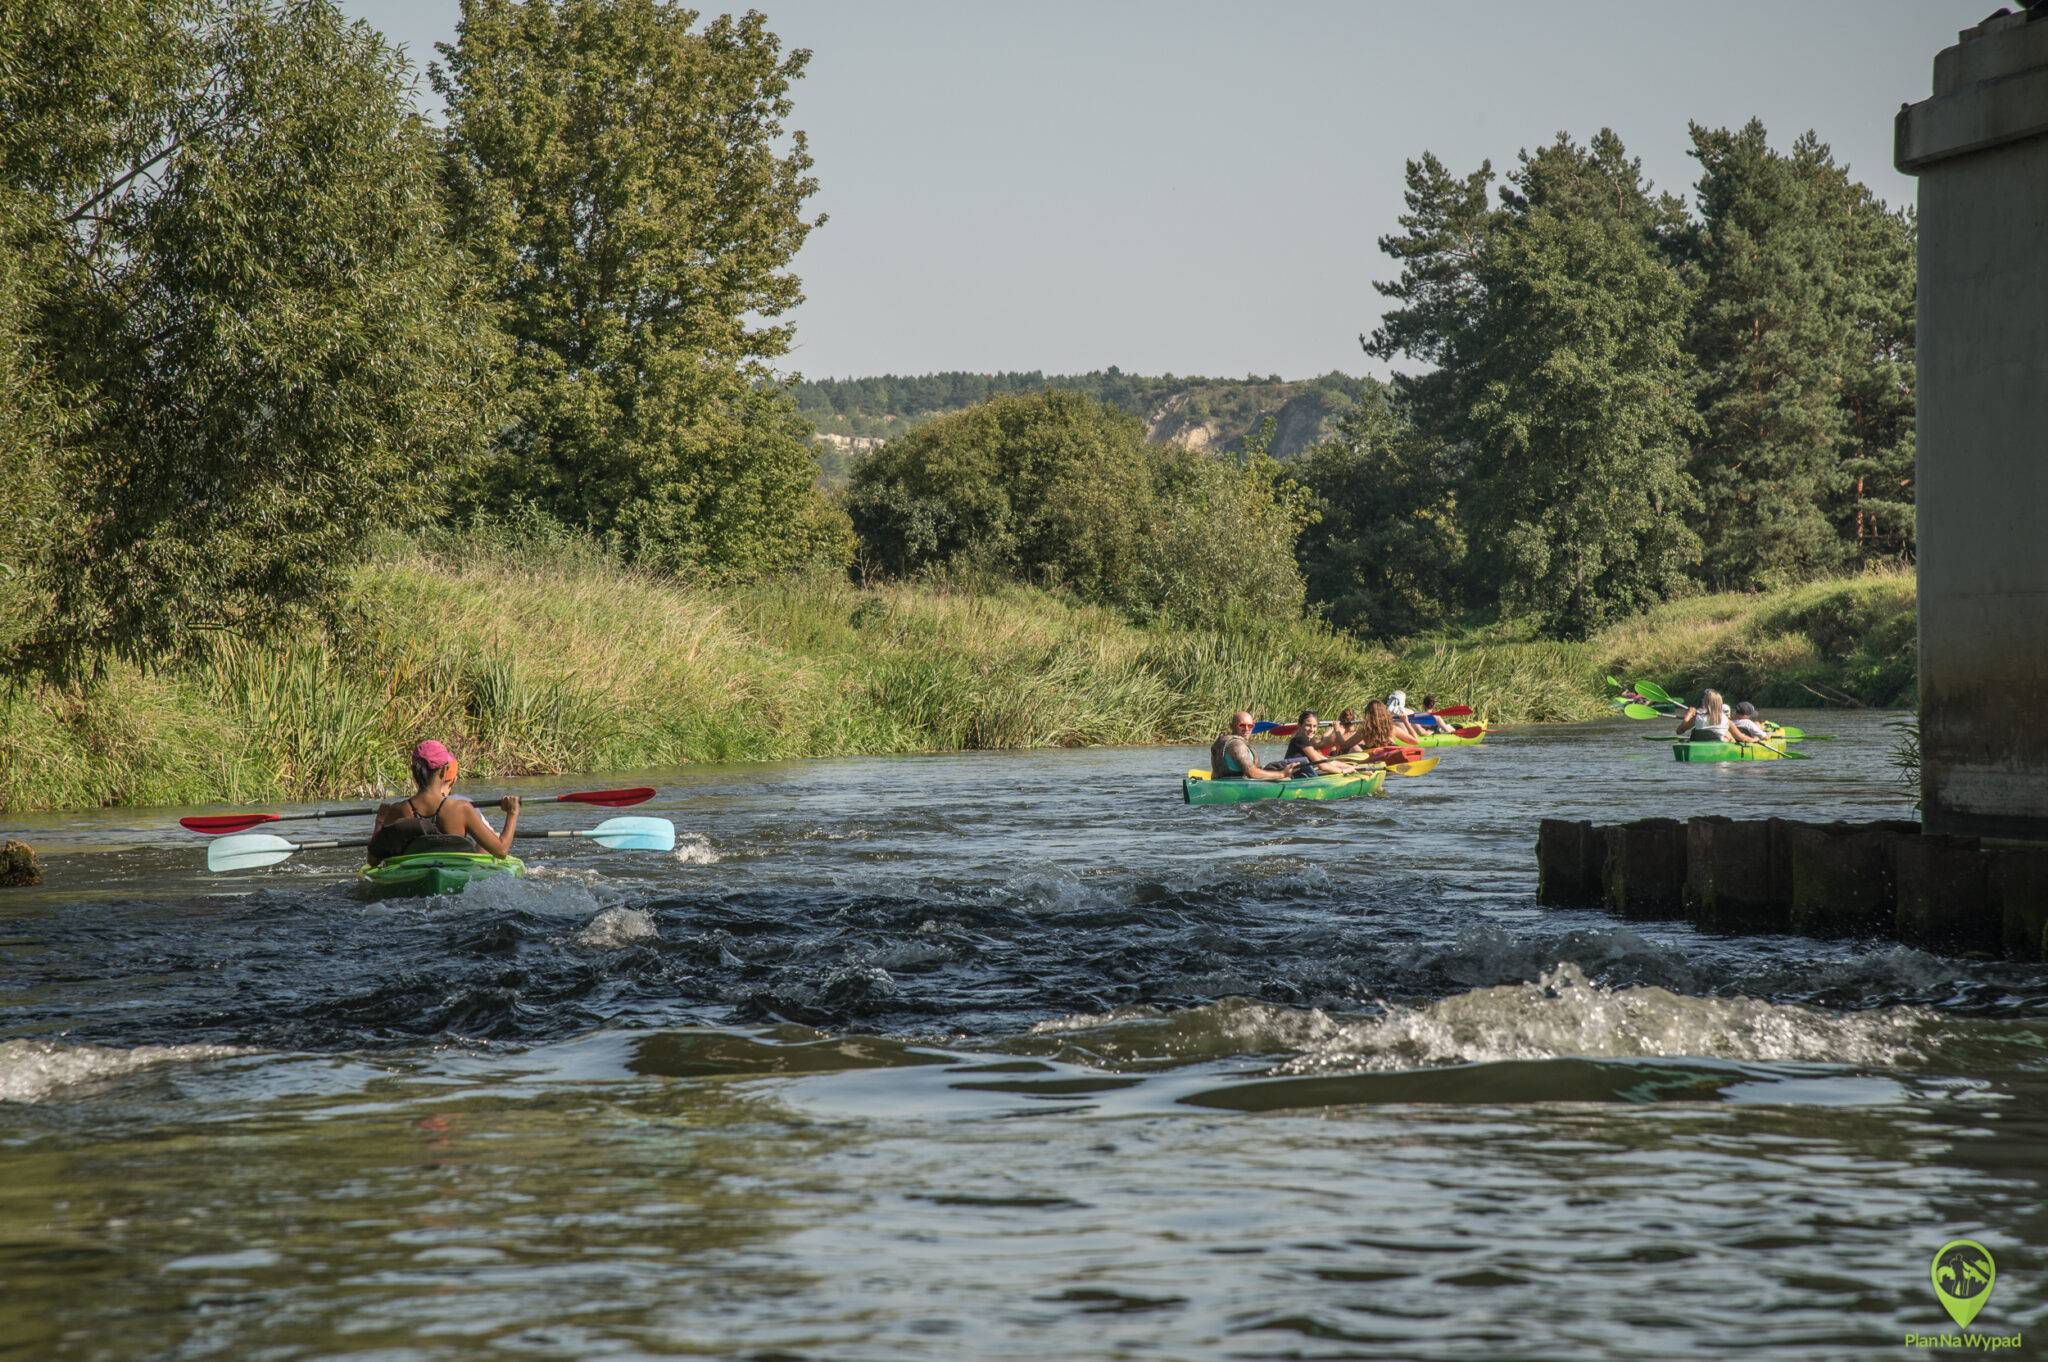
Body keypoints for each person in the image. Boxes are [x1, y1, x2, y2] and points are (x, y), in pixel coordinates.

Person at [368, 740, 520, 865]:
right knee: (484, 846)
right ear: (443, 771)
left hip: (414, 879)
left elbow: (373, 860)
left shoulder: (398, 810)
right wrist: (512, 813)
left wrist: (380, 822)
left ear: (413, 771)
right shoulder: (462, 809)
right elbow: (501, 851)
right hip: (454, 879)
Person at [1210, 711, 1293, 782]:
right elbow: (1252, 773)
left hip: (1220, 783)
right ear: (1231, 726)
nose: (1247, 729)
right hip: (1238, 788)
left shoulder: (1222, 741)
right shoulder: (1237, 745)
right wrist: (1282, 774)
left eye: (1250, 726)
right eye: (1242, 725)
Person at [1279, 711, 1347, 775]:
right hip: (1293, 778)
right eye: (1308, 725)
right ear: (1300, 725)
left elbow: (1325, 760)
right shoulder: (1301, 739)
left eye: (1314, 726)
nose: (1312, 729)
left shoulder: (1303, 740)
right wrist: (1343, 771)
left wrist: (1347, 766)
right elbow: (1322, 766)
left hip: (1297, 775)